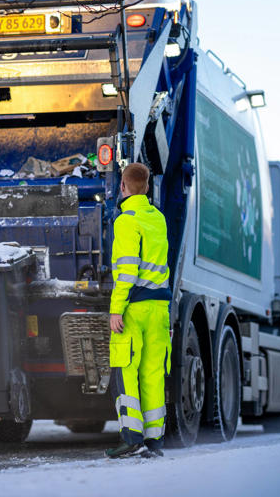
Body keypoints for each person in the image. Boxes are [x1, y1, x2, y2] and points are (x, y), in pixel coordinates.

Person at [105, 162, 172, 458]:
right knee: (154, 373)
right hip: (160, 308)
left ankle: (132, 437)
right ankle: (154, 440)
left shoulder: (126, 220)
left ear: (122, 187)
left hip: (134, 308)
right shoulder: (158, 218)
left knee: (126, 371)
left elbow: (127, 270)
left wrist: (116, 309)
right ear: (146, 187)